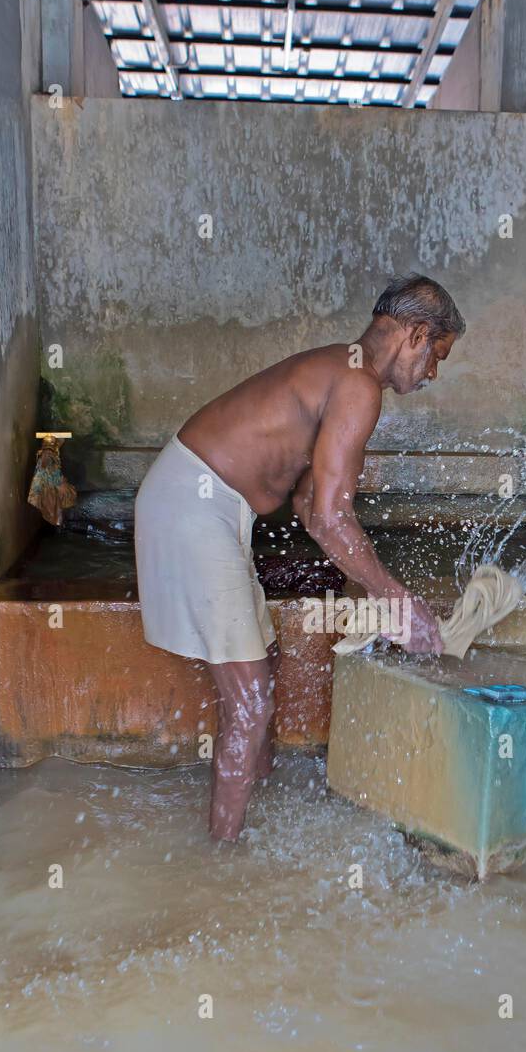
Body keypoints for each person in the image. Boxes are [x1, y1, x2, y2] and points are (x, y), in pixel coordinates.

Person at [134, 273, 465, 840]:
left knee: (259, 664)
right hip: (195, 505)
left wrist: (377, 592)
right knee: (252, 700)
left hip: (205, 503)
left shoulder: (347, 371)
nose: (433, 372)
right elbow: (333, 519)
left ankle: (251, 816)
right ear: (413, 333)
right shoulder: (358, 385)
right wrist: (400, 604)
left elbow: (313, 508)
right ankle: (222, 860)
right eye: (436, 354)